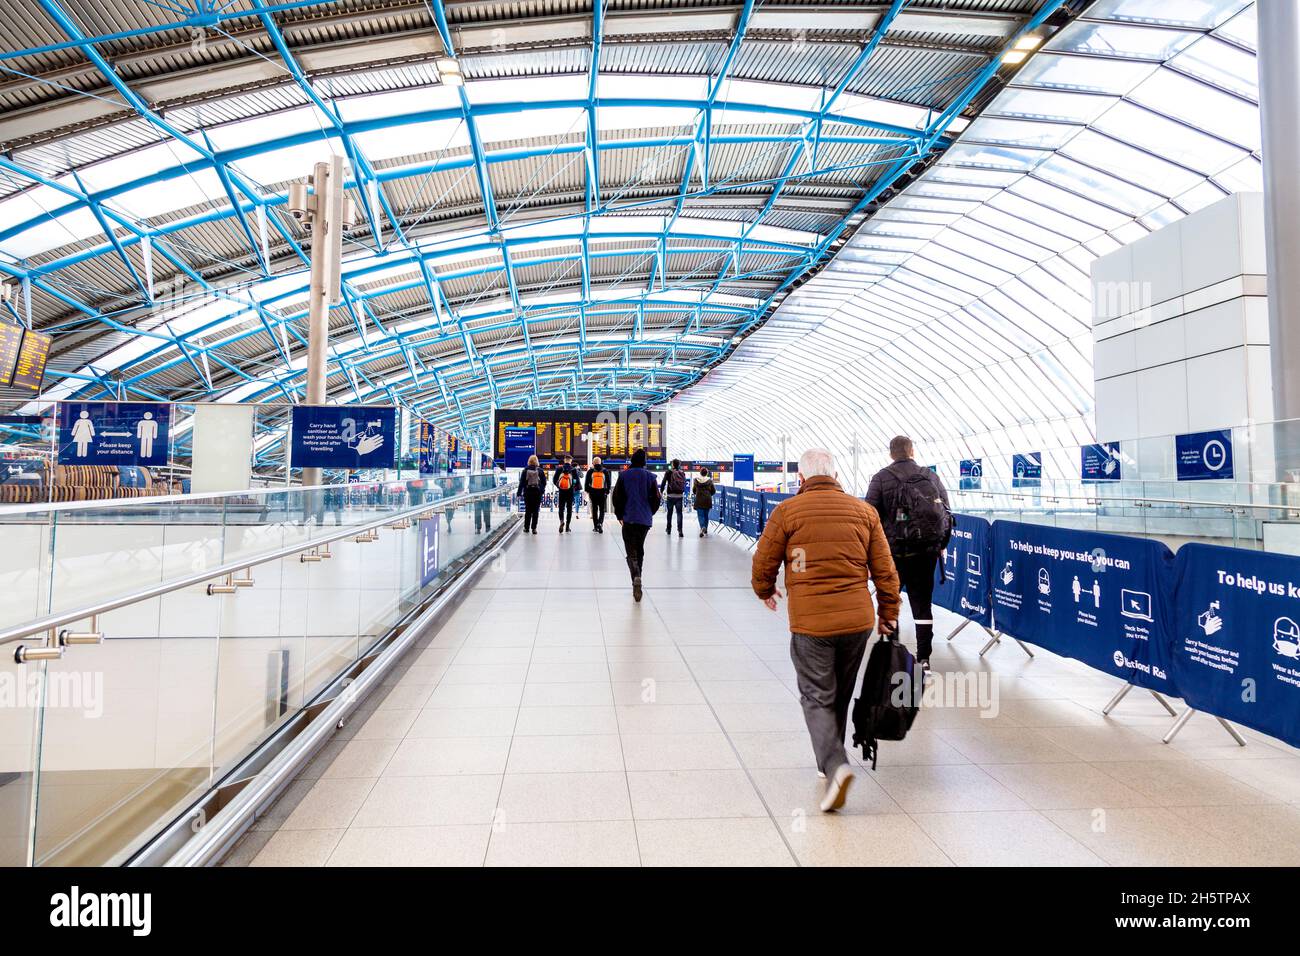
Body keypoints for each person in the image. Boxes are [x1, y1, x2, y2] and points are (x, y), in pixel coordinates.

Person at [752, 448, 900, 812]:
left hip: (811, 623)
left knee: (817, 694)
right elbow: (885, 569)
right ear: (836, 476)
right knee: (840, 690)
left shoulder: (787, 511)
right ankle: (828, 761)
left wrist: (765, 589)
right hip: (857, 621)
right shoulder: (864, 512)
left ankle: (835, 766)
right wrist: (888, 611)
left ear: (800, 479)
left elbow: (764, 560)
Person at [864, 435, 952, 671]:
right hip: (926, 552)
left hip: (893, 553)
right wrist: (940, 544)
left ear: (891, 454)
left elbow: (869, 517)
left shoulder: (881, 478)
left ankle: (893, 657)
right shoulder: (930, 476)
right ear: (911, 451)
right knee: (922, 605)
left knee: (890, 602)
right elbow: (946, 512)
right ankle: (924, 659)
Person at [611, 447, 661, 602]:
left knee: (631, 551)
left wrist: (620, 515)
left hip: (629, 518)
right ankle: (639, 576)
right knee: (639, 549)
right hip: (644, 520)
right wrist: (649, 512)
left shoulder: (624, 475)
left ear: (632, 460)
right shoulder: (651, 477)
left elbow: (617, 497)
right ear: (644, 461)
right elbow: (657, 498)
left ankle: (635, 577)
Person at [517, 454, 545, 534]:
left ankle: (526, 528)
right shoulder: (540, 471)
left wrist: (519, 493)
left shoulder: (525, 470)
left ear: (529, 461)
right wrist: (541, 490)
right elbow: (544, 482)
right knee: (536, 511)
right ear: (537, 461)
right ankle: (534, 528)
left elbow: (521, 483)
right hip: (537, 492)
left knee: (528, 510)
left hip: (528, 492)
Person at [659, 458, 687, 537]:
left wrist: (661, 491)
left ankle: (668, 529)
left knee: (669, 513)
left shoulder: (668, 472)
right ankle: (680, 530)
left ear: (672, 465)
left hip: (670, 496)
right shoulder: (682, 473)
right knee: (679, 513)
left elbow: (663, 482)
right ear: (679, 465)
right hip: (679, 496)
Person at [553, 454, 579, 533]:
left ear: (564, 460)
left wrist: (559, 486)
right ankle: (567, 526)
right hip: (570, 492)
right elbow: (576, 481)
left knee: (561, 508)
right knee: (569, 509)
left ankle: (561, 521)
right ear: (570, 461)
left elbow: (554, 480)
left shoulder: (559, 469)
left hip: (561, 491)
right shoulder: (573, 470)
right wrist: (572, 486)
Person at [585, 455, 611, 533]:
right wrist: (607, 491)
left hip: (593, 493)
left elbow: (587, 483)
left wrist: (588, 491)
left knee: (595, 510)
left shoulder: (590, 471)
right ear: (600, 462)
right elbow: (608, 483)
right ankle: (600, 523)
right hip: (602, 493)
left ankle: (595, 527)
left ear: (593, 463)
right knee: (602, 510)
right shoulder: (605, 471)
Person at [692, 466, 716, 537]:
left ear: (700, 473)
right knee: (706, 515)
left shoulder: (696, 480)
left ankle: (702, 527)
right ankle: (705, 528)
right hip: (707, 500)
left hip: (699, 500)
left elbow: (694, 490)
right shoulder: (710, 481)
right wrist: (709, 494)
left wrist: (697, 493)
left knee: (700, 515)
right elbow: (713, 491)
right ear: (707, 473)